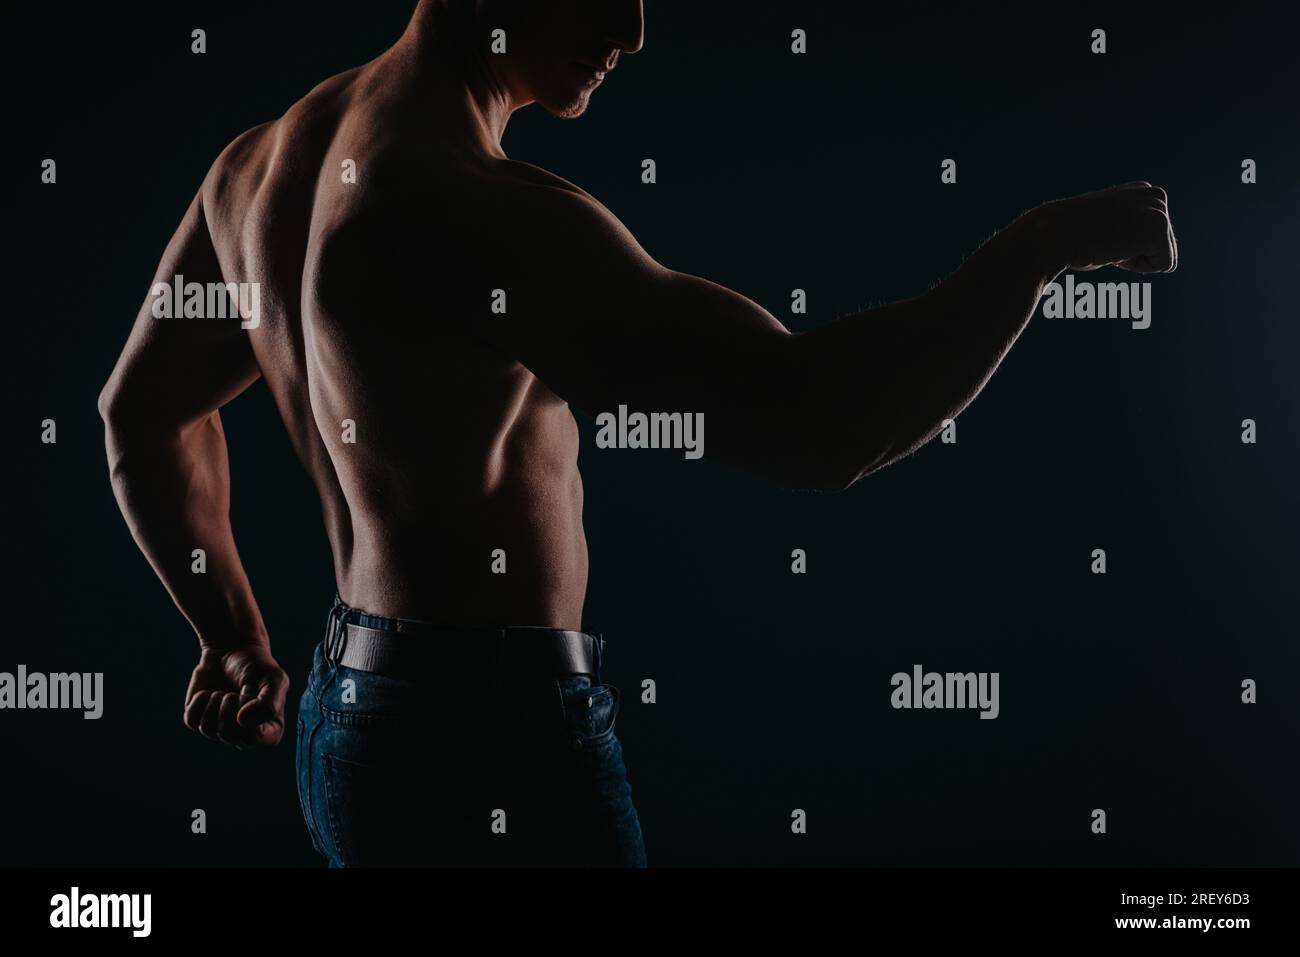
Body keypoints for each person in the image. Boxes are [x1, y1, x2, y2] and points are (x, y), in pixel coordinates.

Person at [97, 0, 1177, 867]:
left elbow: (139, 414)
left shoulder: (256, 167)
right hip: (486, 745)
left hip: (355, 708)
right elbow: (818, 425)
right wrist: (1045, 245)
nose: (635, 28)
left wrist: (231, 636)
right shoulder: (476, 210)